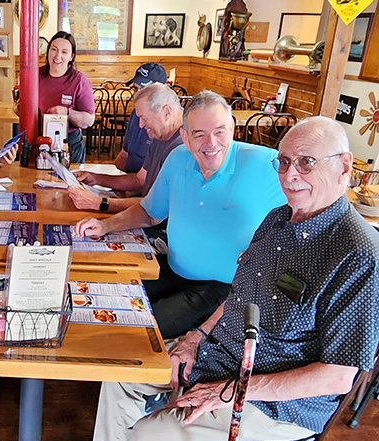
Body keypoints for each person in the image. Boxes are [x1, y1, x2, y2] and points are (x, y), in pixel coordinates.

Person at [53, 117, 379, 441]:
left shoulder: (358, 254)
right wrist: (194, 336)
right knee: (125, 372)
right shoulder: (278, 219)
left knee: (145, 438)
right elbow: (245, 295)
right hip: (221, 355)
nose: (290, 175)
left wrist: (233, 391)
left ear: (344, 167)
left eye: (306, 162)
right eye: (283, 162)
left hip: (281, 401)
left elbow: (338, 377)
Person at [74, 91, 285, 338]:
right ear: (184, 136)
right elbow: (149, 212)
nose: (211, 143)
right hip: (173, 268)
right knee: (105, 294)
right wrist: (105, 226)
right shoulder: (177, 158)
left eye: (219, 131)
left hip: (222, 288)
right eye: (199, 134)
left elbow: (313, 196)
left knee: (138, 329)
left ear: (232, 128)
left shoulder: (265, 165)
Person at [67, 83, 183, 214]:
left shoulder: (185, 147)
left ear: (166, 112)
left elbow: (157, 206)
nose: (140, 125)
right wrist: (96, 178)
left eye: (143, 118)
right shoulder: (161, 134)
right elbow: (140, 180)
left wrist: (98, 203)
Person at [39, 31, 95, 165]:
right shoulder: (36, 74)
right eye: (54, 49)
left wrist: (67, 112)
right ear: (48, 52)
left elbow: (89, 120)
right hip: (39, 143)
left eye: (64, 52)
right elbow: (20, 108)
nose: (57, 56)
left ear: (71, 56)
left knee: (67, 185)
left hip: (68, 146)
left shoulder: (79, 80)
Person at [114, 62, 168, 174]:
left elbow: (144, 180)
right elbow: (125, 153)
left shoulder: (167, 123)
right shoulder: (136, 113)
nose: (137, 95)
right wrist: (106, 179)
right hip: (128, 179)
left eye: (144, 89)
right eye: (135, 88)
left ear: (162, 89)